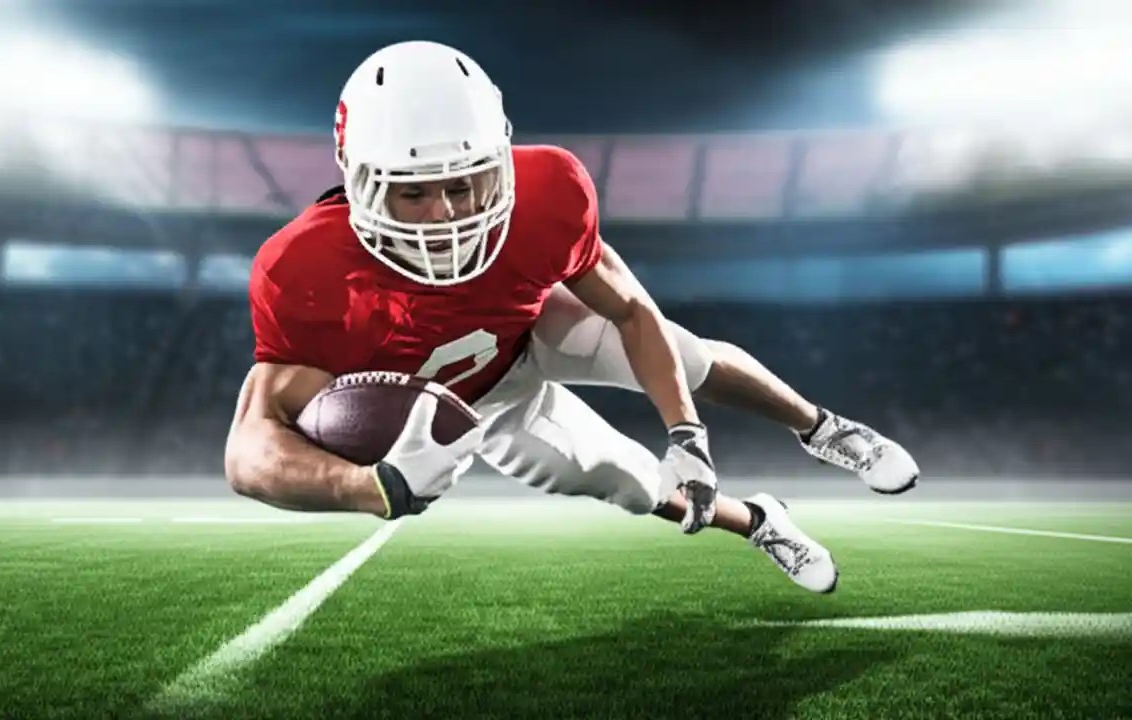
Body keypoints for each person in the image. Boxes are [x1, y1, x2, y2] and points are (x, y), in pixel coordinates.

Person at [224, 40, 920, 594]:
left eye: (463, 184)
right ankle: (763, 521)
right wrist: (368, 486)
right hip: (476, 409)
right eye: (413, 193)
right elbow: (250, 447)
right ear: (358, 178)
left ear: (497, 160)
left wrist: (686, 431)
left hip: (534, 327)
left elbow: (632, 310)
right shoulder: (303, 268)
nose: (445, 216)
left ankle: (824, 427)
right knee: (633, 483)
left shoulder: (547, 191)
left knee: (686, 356)